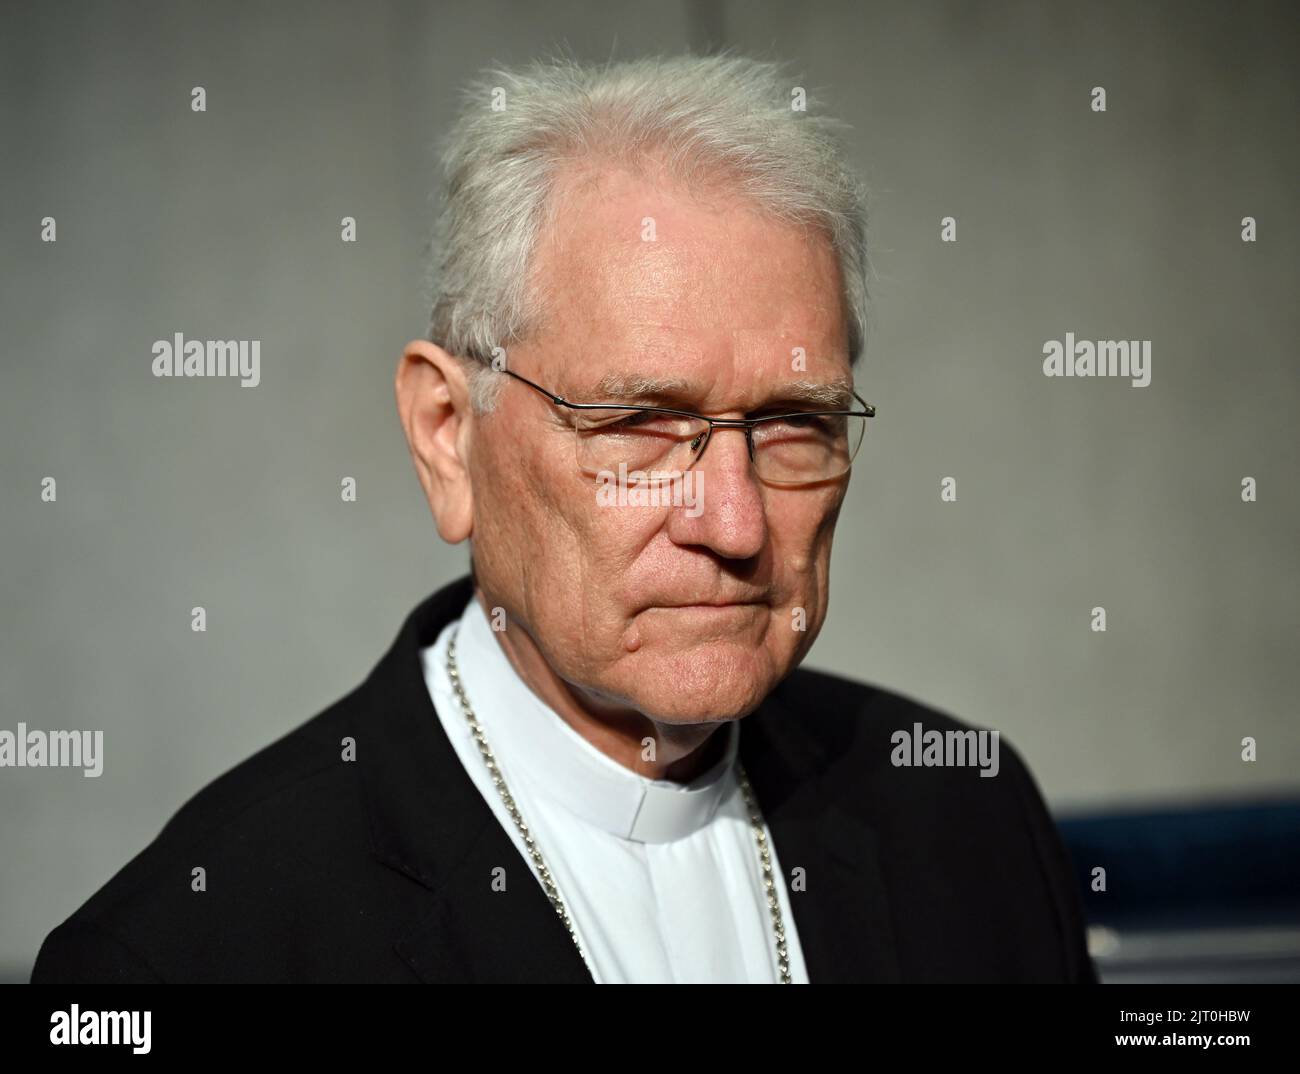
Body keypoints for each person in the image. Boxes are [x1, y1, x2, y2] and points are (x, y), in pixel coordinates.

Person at [32, 53, 1095, 984]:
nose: (733, 525)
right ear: (448, 434)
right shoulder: (195, 949)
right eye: (637, 421)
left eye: (788, 423)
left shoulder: (969, 821)